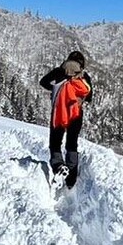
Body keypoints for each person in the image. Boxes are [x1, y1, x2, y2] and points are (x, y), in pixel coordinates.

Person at [40, 50, 91, 187]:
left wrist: (56, 89)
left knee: (55, 142)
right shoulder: (83, 76)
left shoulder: (58, 71)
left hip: (58, 113)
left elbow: (43, 82)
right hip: (76, 114)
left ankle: (58, 167)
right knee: (72, 143)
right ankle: (71, 177)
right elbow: (89, 96)